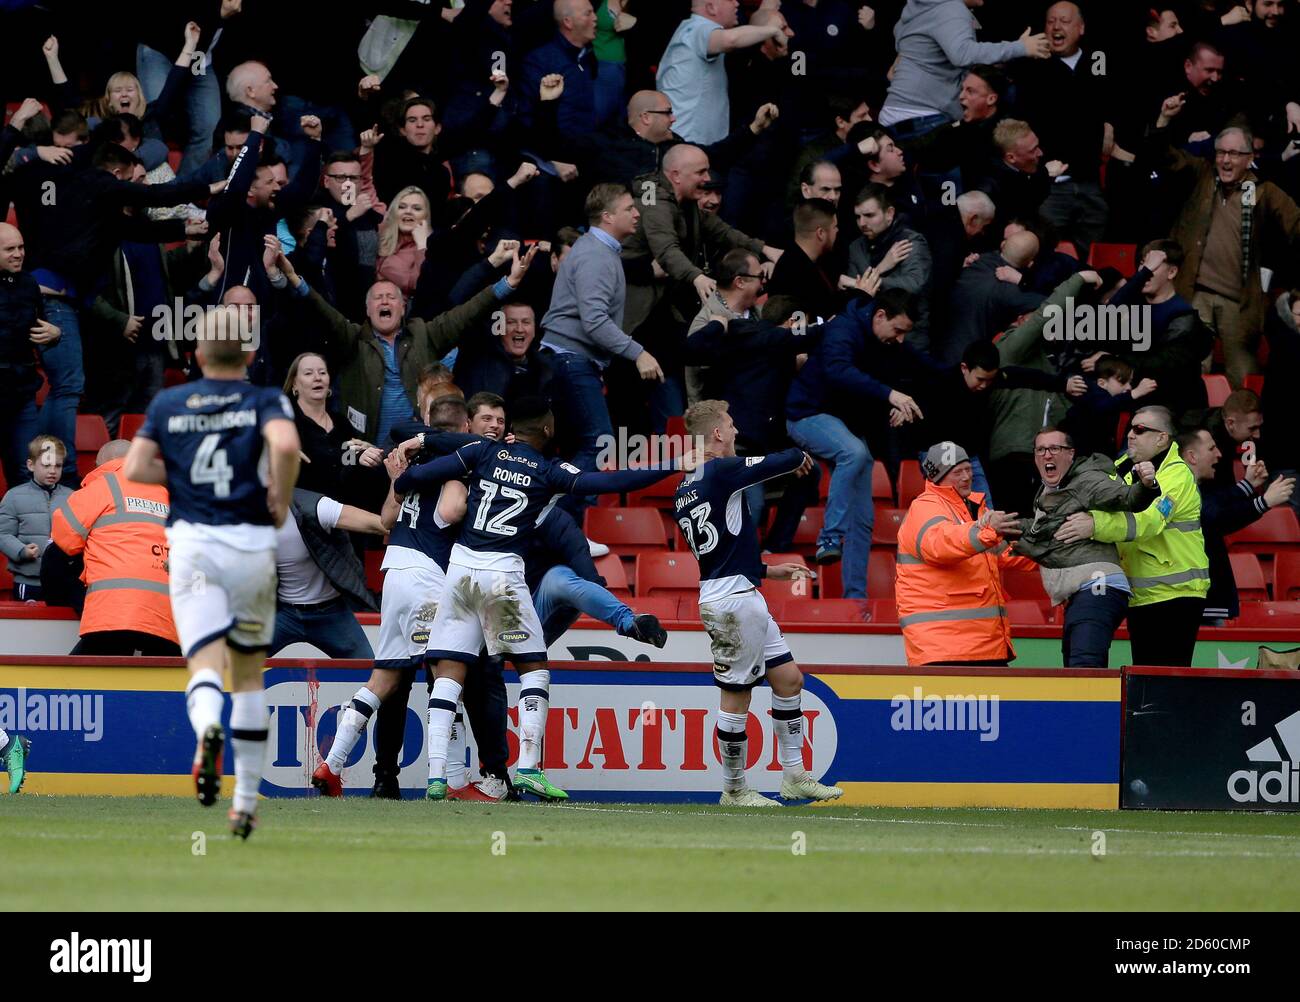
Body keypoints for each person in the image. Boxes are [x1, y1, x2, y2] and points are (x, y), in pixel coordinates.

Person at [392, 394, 693, 801]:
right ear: (548, 431)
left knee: (448, 673)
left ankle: (437, 777)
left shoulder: (482, 450)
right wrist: (672, 466)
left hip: (461, 573)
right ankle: (529, 768)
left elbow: (429, 470)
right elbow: (610, 481)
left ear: (513, 428)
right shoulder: (549, 471)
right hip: (502, 578)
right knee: (533, 670)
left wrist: (407, 475)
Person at [124, 306, 301, 840]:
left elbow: (134, 469)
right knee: (248, 675)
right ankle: (245, 804)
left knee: (204, 662)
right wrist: (279, 496)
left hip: (194, 546)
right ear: (250, 355)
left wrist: (180, 478)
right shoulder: (264, 397)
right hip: (250, 546)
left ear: (196, 355)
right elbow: (287, 446)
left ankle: (206, 730)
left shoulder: (170, 401)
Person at [675, 399, 841, 806]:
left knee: (789, 680)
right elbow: (776, 462)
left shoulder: (685, 487)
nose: (735, 431)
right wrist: (800, 453)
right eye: (730, 425)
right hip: (732, 603)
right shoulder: (720, 470)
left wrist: (766, 572)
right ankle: (734, 789)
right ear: (717, 434)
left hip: (738, 591)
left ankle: (795, 776)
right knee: (736, 696)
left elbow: (720, 552)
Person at [1151, 96, 1300, 387]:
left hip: (1239, 301)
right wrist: (1164, 121)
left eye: (1233, 154)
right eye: (1220, 153)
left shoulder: (1261, 190)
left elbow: (1296, 224)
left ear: (1249, 158)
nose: (1226, 160)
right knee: (1191, 373)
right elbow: (1163, 155)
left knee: (1243, 378)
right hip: (1195, 294)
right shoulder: (1201, 175)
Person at [786, 288, 925, 596]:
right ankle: (829, 538)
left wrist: (899, 405)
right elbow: (839, 370)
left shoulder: (884, 342)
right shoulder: (843, 328)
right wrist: (890, 395)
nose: (901, 338)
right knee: (855, 452)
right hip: (807, 415)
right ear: (879, 316)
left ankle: (855, 599)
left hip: (845, 425)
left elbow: (921, 372)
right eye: (898, 330)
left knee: (863, 520)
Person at [1053, 405, 1209, 667]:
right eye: (1130, 428)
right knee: (1145, 685)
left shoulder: (1176, 476)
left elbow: (1147, 521)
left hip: (1176, 596)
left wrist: (1094, 525)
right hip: (1142, 594)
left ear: (1161, 438)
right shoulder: (1123, 467)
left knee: (1164, 687)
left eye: (1140, 430)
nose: (1131, 435)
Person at [541, 182, 659, 514]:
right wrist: (639, 352)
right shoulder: (595, 254)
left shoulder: (599, 251)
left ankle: (562, 522)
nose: (637, 213)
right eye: (628, 209)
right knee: (599, 442)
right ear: (607, 216)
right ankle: (560, 519)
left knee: (583, 444)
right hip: (571, 359)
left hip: (570, 359)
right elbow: (594, 321)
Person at [1010, 428, 1160, 667]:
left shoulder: (1088, 480)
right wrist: (1002, 527)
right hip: (1081, 592)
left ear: (1071, 454)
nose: (1047, 455)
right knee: (1074, 666)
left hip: (1098, 586)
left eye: (1055, 449)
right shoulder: (1049, 489)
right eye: (1041, 449)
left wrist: (1147, 484)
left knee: (1084, 666)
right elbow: (1043, 532)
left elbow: (1127, 498)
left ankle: (1098, 705)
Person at [895, 442, 1033, 667]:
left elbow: (999, 553)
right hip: (943, 647)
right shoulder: (925, 507)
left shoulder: (974, 509)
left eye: (968, 469)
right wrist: (989, 531)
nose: (966, 476)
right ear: (937, 476)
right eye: (957, 472)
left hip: (984, 645)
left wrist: (1044, 552)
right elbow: (942, 543)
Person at [48, 439, 180, 656]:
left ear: (105, 462)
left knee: (77, 685)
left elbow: (64, 539)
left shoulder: (103, 485)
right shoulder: (167, 495)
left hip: (114, 611)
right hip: (165, 615)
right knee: (160, 685)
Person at [880, 0, 1048, 140]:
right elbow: (962, 54)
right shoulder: (951, 7)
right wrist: (1020, 48)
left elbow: (897, 67)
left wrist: (1014, 50)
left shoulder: (918, 8)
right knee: (954, 179)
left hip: (896, 115)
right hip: (923, 119)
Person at [1181, 427, 1295, 625]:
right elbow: (1213, 517)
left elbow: (1213, 503)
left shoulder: (1190, 487)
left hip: (1200, 600)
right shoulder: (1182, 490)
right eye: (1211, 449)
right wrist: (1264, 502)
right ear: (1192, 456)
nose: (1219, 454)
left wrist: (1247, 485)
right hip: (1197, 602)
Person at [270, 488, 384, 659]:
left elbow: (375, 524)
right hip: (284, 614)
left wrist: (419, 530)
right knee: (232, 668)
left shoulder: (312, 506)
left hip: (331, 613)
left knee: (368, 670)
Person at [655, 1, 787, 146]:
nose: (737, 3)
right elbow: (731, 40)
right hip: (687, 142)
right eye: (730, 0)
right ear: (711, 7)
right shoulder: (698, 29)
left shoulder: (693, 30)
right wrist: (773, 30)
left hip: (692, 141)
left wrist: (765, 11)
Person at [0, 221, 50, 488]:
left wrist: (54, 335)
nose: (19, 254)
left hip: (22, 392)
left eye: (21, 247)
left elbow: (40, 327)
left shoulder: (29, 283)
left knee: (28, 472)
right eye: (10, 249)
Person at [0, 434, 74, 602]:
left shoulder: (72, 497)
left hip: (63, 580)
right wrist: (21, 550)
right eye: (46, 465)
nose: (53, 471)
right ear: (31, 465)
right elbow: (3, 534)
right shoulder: (13, 496)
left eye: (58, 465)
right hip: (28, 580)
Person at [1060, 357, 1157, 460]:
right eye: (1123, 381)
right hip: (1074, 455)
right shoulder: (1091, 396)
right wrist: (1135, 393)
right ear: (1102, 383)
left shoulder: (1121, 403)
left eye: (1130, 382)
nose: (1129, 387)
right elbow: (1101, 406)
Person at [765, 198, 841, 322]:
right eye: (835, 227)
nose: (837, 231)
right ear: (821, 233)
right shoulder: (791, 273)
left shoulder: (817, 262)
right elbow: (797, 331)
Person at [1207, 389, 1263, 490]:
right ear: (1231, 423)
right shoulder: (1210, 443)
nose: (1257, 435)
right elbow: (1219, 493)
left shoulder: (1228, 424)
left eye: (1259, 427)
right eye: (1252, 428)